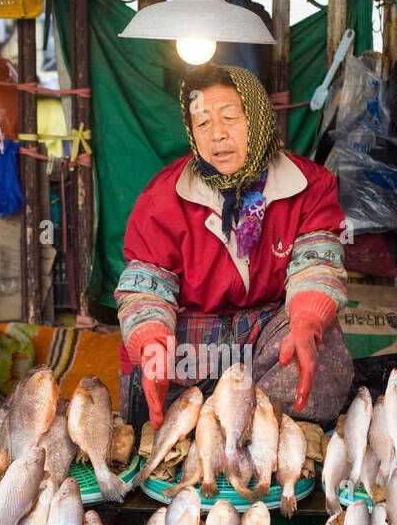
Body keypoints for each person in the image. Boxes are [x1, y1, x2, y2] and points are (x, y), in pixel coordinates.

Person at [115, 63, 353, 429]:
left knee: (318, 338)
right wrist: (151, 342)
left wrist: (307, 320)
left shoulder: (309, 186)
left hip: (265, 340)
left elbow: (316, 263)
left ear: (258, 119)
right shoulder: (162, 199)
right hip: (192, 344)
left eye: (230, 117)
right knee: (164, 407)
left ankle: (272, 434)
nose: (217, 136)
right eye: (203, 124)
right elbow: (146, 288)